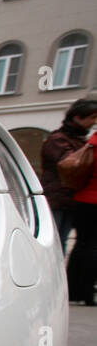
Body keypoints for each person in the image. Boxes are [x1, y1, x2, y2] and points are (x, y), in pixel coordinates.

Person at [42, 98, 97, 255]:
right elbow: (70, 165)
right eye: (92, 117)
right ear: (77, 117)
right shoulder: (58, 139)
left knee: (62, 241)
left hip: (70, 199)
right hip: (57, 198)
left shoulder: (80, 140)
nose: (93, 122)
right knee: (53, 241)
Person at [67, 122, 97, 306]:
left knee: (81, 244)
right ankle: (86, 292)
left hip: (83, 199)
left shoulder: (91, 143)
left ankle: (73, 290)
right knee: (94, 247)